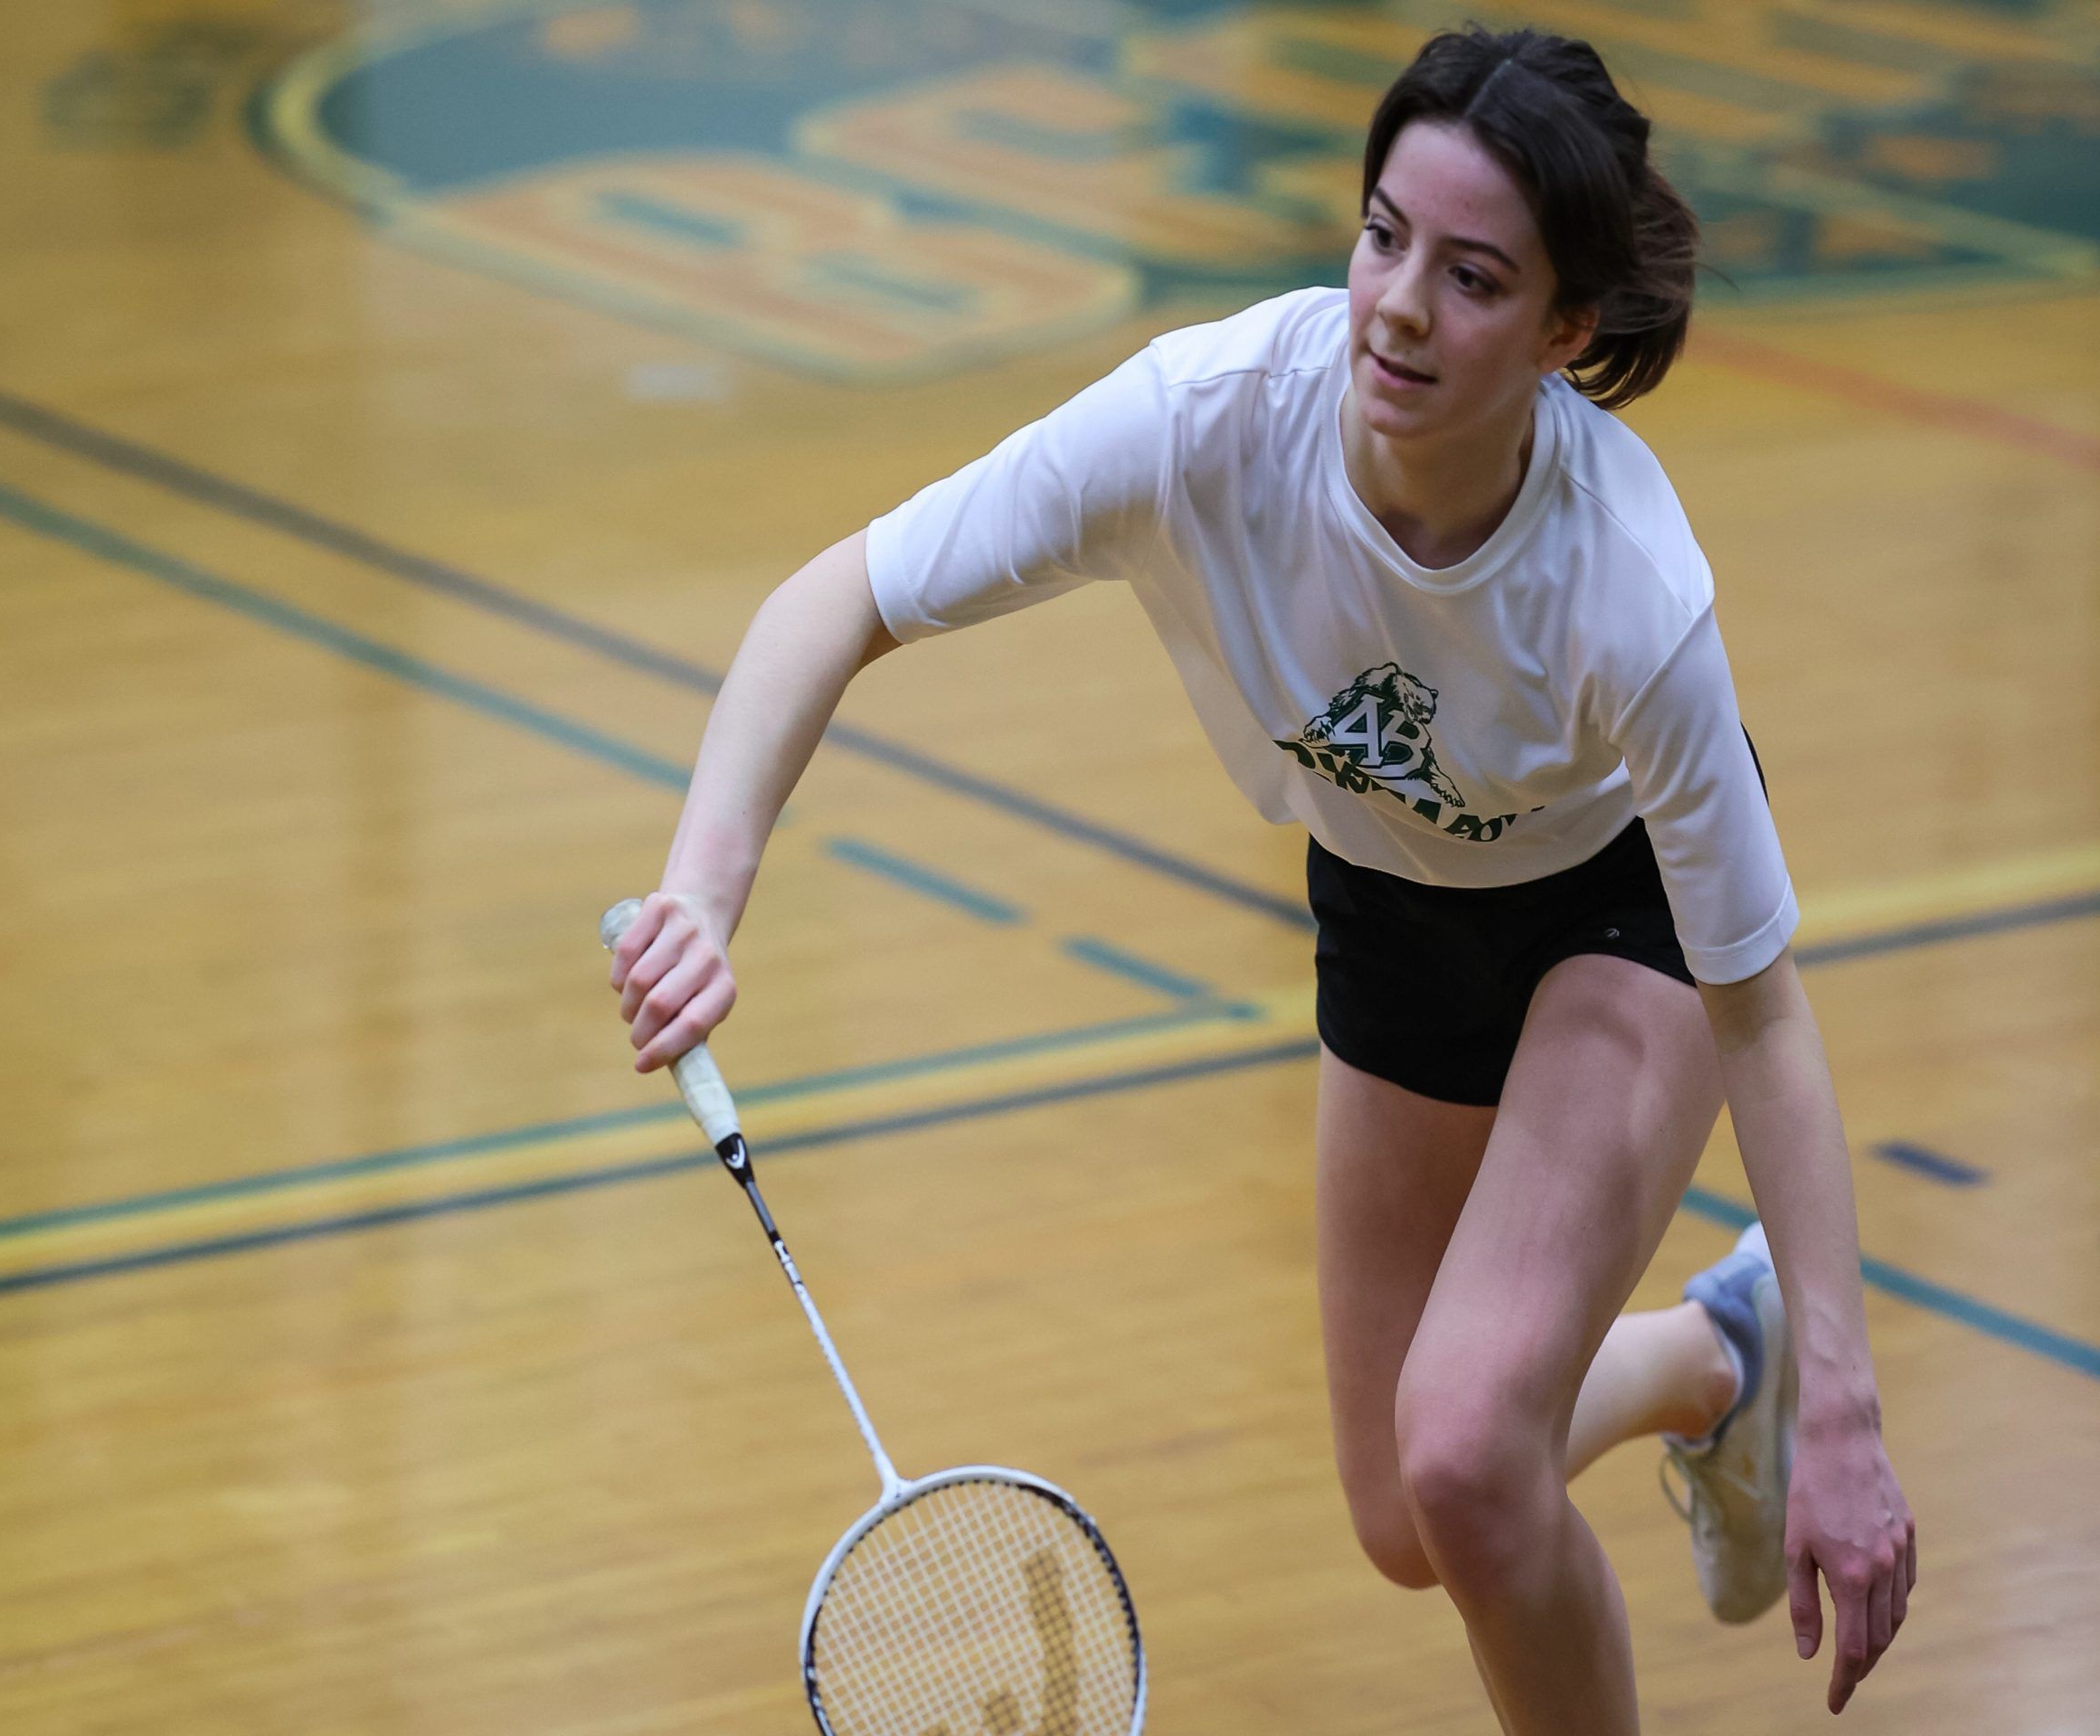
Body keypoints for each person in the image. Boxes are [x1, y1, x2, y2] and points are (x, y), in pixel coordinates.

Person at [608, 24, 1913, 1730]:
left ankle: (1774, 1380)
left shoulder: (1626, 585)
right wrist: (706, 889)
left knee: (1463, 1452)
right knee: (1406, 1508)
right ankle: (1716, 1359)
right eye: (1382, 237)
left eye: (1471, 277)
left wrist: (1856, 1417)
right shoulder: (1205, 422)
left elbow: (1761, 1010)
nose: (1394, 307)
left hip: (1620, 914)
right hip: (1389, 905)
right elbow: (835, 600)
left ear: (1565, 330)